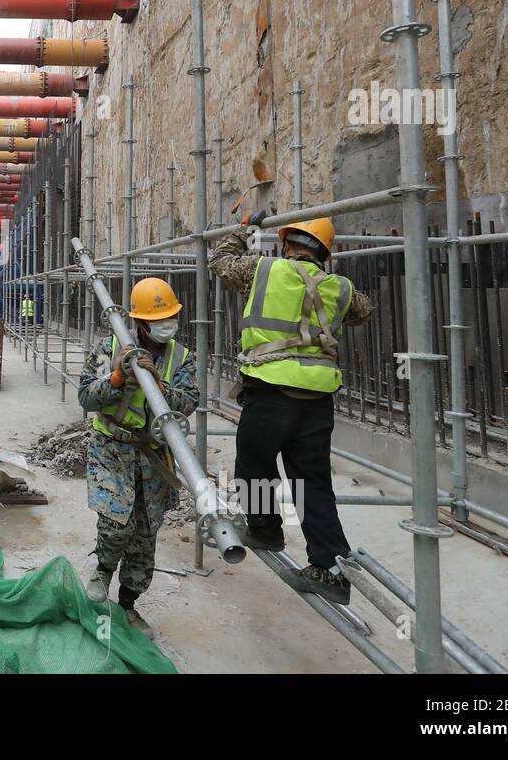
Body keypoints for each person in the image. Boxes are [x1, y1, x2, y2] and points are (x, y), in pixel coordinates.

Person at [209, 211, 374, 605]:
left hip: (270, 391)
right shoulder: (341, 287)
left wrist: (245, 228)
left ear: (287, 245)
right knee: (314, 483)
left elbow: (219, 261)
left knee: (254, 465)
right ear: (325, 255)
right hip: (317, 401)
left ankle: (266, 528)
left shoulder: (263, 270)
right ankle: (330, 568)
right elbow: (363, 310)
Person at [78, 277, 197, 638]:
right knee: (117, 522)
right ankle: (102, 569)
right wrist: (115, 378)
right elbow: (86, 397)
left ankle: (128, 604)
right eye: (158, 319)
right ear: (140, 322)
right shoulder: (109, 347)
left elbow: (188, 402)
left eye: (170, 318)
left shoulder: (180, 357)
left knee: (145, 535)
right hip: (112, 448)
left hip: (153, 455)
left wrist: (158, 384)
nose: (166, 325)